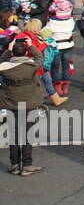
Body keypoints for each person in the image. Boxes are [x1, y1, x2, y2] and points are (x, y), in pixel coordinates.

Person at [0, 41, 46, 176]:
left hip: (10, 102)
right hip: (29, 103)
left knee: (13, 134)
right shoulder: (30, 66)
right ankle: (27, 164)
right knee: (27, 134)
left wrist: (7, 51)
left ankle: (14, 164)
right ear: (26, 53)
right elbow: (40, 58)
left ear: (12, 53)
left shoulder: (4, 68)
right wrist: (31, 45)